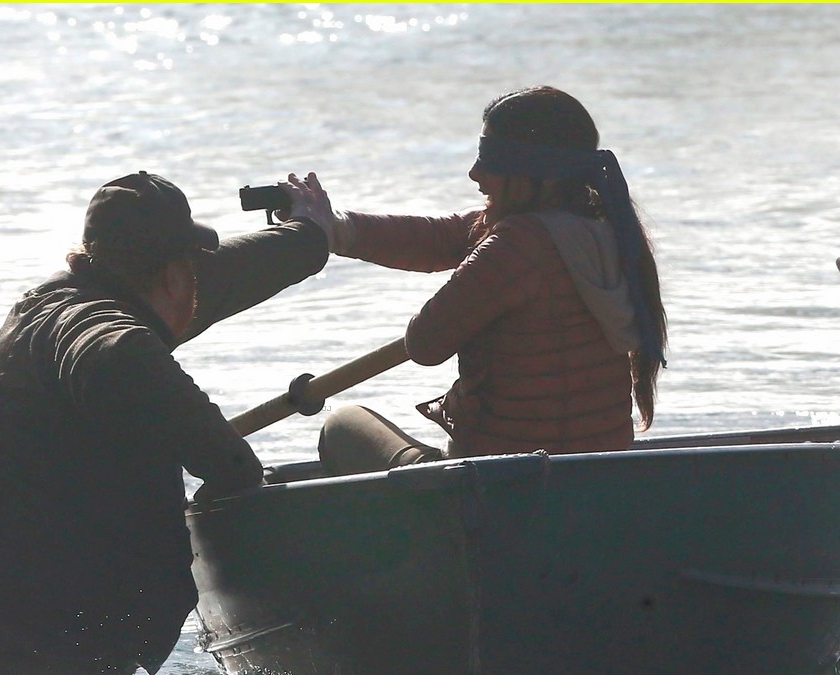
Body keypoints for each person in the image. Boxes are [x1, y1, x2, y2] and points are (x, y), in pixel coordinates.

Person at [0, 171, 329, 675]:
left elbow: (223, 277)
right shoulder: (111, 337)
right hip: (14, 654)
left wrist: (309, 238)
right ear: (174, 274)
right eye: (191, 271)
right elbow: (120, 357)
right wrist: (224, 459)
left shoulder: (46, 310)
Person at [282, 86, 668, 475]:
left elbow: (424, 343)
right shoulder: (609, 228)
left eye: (490, 159)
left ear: (537, 173)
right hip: (602, 473)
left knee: (341, 424)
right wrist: (333, 227)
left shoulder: (516, 248)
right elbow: (439, 237)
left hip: (497, 483)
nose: (474, 173)